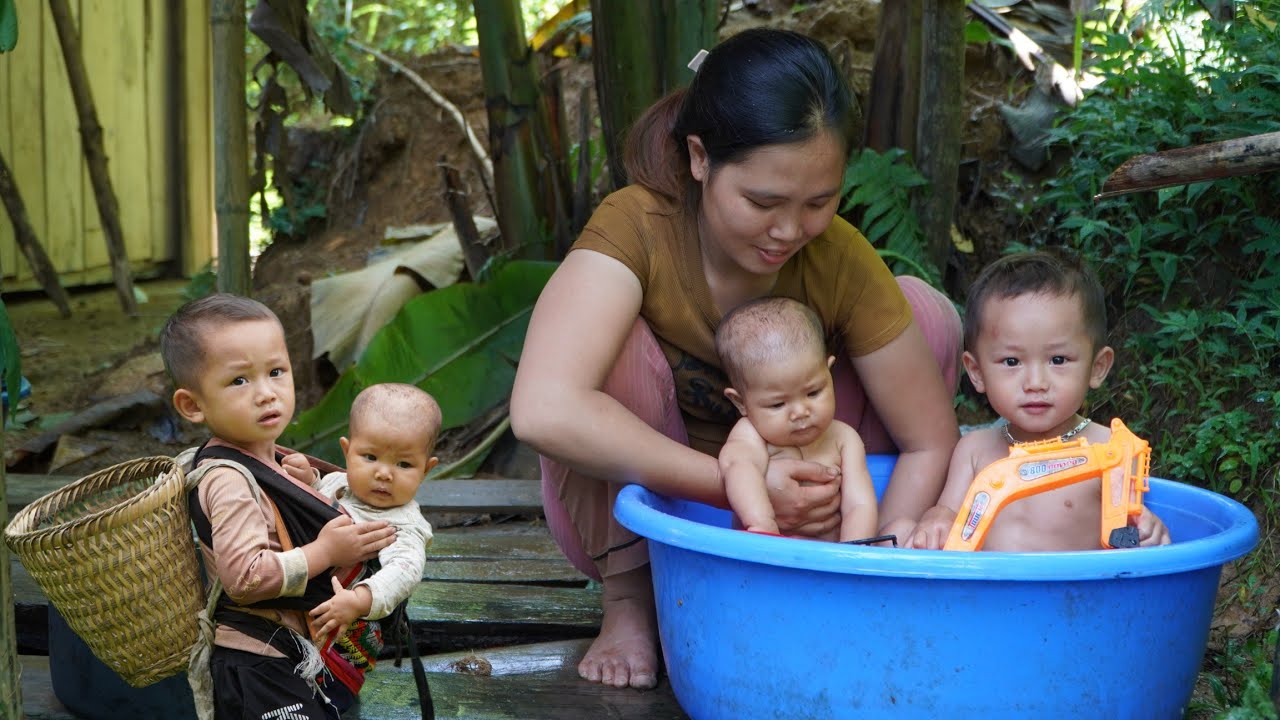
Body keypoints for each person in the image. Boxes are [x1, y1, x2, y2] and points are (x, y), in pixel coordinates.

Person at [510, 27, 962, 690]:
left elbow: (931, 440)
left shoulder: (832, 252)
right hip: (655, 512)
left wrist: (882, 548)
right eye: (763, 202)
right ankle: (632, 603)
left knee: (925, 315)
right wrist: (739, 486)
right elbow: (544, 411)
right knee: (607, 354)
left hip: (819, 514)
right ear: (700, 158)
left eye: (818, 202)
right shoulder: (639, 226)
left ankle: (840, 579)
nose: (789, 232)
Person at [161, 293, 397, 720]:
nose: (266, 393)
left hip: (289, 655)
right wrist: (326, 552)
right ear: (192, 405)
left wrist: (305, 486)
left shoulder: (269, 460)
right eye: (239, 381)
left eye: (276, 372)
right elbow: (244, 577)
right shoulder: (229, 479)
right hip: (258, 664)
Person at [904, 251, 1172, 551]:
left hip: (1074, 595)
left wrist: (1150, 532)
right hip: (983, 595)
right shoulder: (975, 450)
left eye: (1058, 359)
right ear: (977, 372)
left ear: (1097, 368)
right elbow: (947, 515)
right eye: (1011, 361)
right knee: (899, 531)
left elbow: (1129, 530)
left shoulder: (1109, 449)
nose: (1035, 383)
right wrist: (935, 519)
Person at [715, 297, 877, 541]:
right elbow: (739, 469)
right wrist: (762, 524)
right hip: (767, 559)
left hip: (830, 564)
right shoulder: (750, 435)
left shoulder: (843, 438)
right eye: (778, 404)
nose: (801, 411)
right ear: (741, 402)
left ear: (828, 373)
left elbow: (859, 505)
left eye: (813, 392)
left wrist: (852, 554)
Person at [298, 383, 439, 648]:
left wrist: (358, 600)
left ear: (426, 469)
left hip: (344, 631)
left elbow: (403, 573)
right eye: (371, 457)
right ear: (347, 452)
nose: (384, 473)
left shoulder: (403, 527)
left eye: (404, 464)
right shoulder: (337, 483)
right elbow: (316, 501)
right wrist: (308, 480)